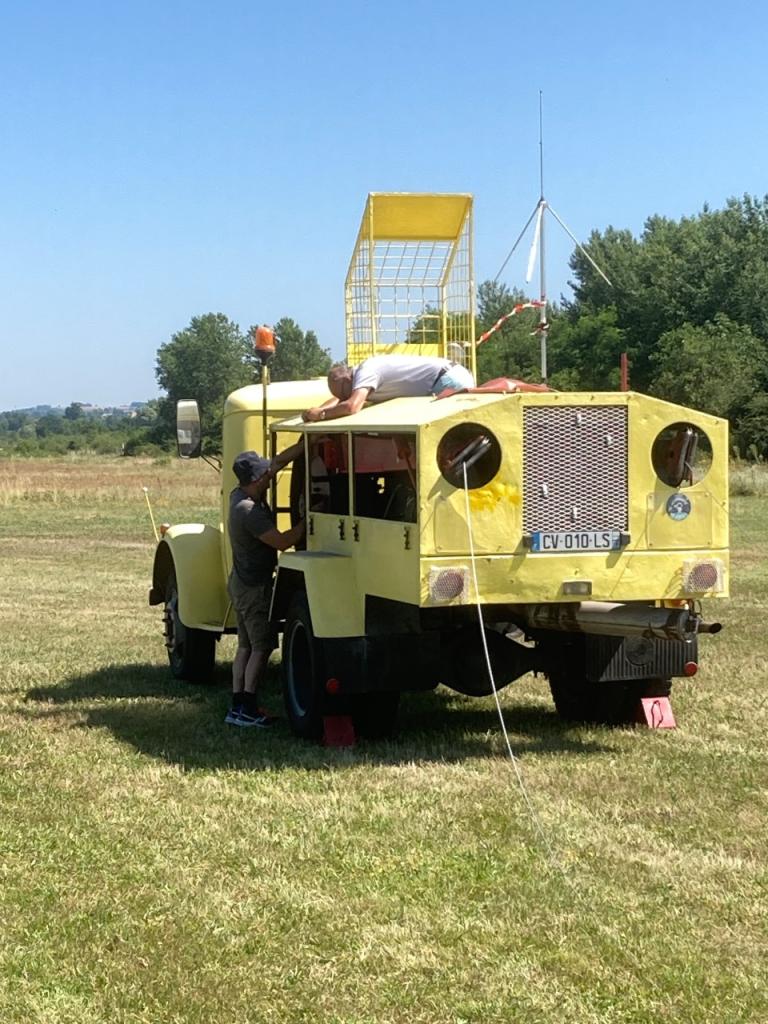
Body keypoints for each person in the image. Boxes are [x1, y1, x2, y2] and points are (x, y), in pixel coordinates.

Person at [225, 444, 305, 727]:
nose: (269, 476)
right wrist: (309, 521)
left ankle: (237, 706)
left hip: (240, 583)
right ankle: (247, 708)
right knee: (261, 648)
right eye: (265, 475)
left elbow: (278, 463)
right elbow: (283, 542)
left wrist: (307, 444)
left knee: (245, 647)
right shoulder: (248, 512)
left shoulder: (240, 494)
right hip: (253, 588)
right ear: (256, 480)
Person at [302, 355, 475, 422]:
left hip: (446, 380)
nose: (344, 397)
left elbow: (351, 406)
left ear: (347, 380)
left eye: (344, 393)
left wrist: (322, 415)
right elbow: (341, 401)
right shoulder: (359, 380)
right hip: (446, 379)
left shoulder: (366, 371)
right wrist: (315, 411)